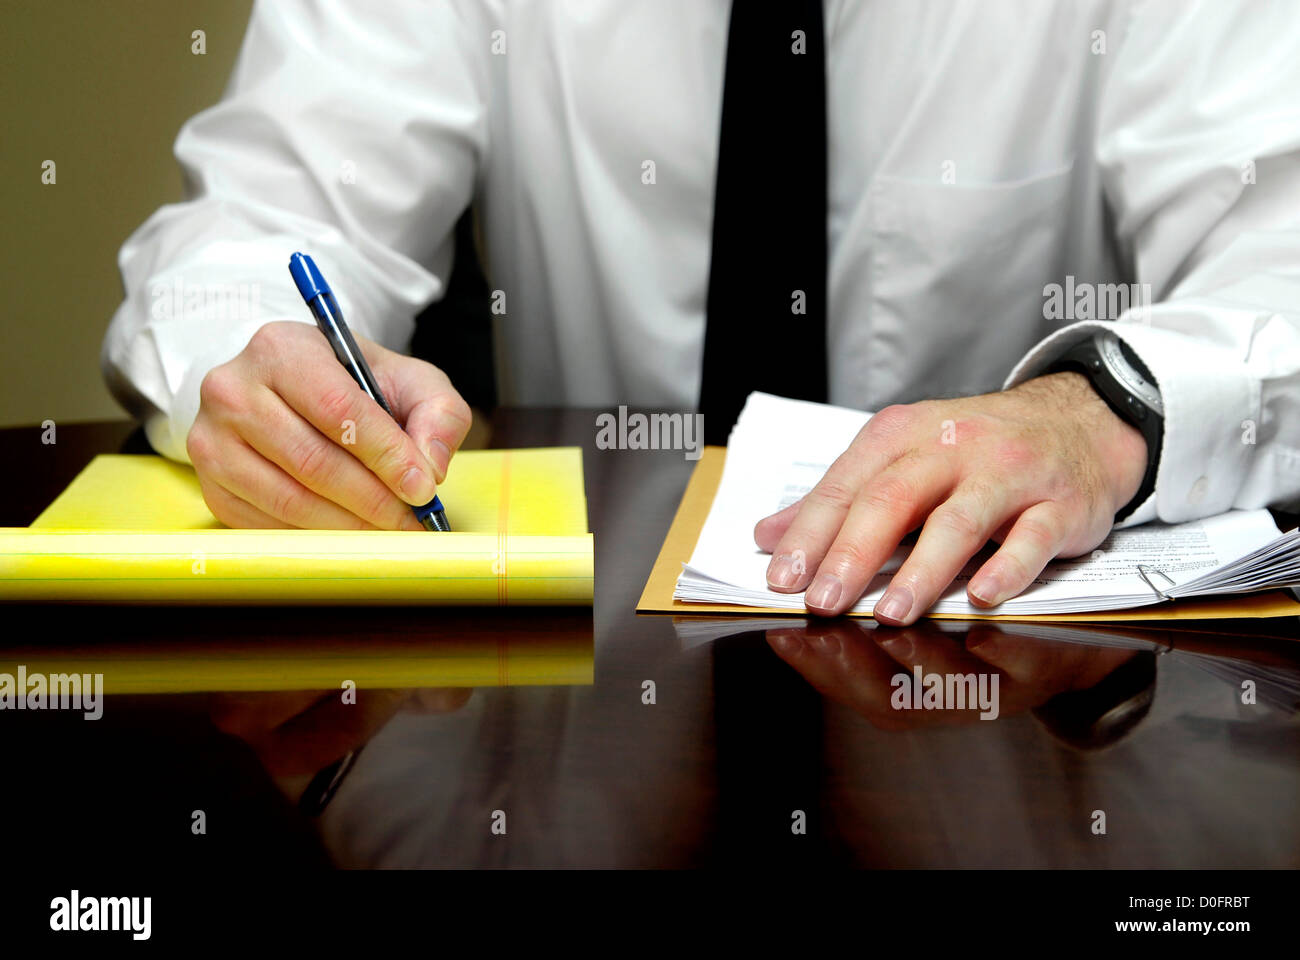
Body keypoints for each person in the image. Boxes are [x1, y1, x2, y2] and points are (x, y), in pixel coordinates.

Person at [102, 0, 1300, 623]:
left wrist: (1098, 408)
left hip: (1006, 697)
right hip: (584, 712)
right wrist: (263, 363)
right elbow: (261, 220)